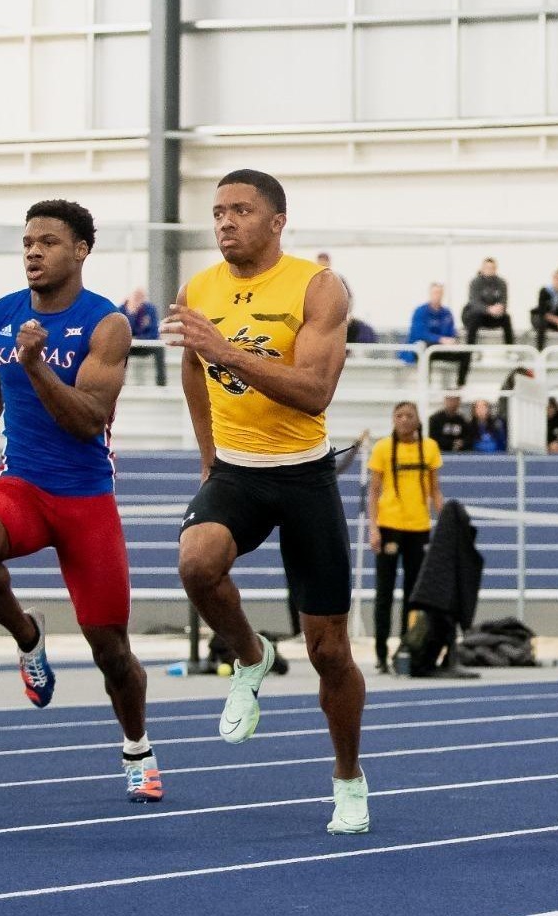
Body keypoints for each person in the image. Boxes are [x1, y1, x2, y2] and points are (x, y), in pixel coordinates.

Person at [161, 167, 369, 835]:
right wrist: (207, 456)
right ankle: (250, 654)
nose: (225, 221)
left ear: (277, 221)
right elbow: (192, 370)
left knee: (329, 652)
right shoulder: (197, 289)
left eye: (241, 210)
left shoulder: (317, 286)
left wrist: (225, 349)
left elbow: (313, 391)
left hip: (305, 475)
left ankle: (347, 777)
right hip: (238, 472)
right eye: (218, 211)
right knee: (196, 563)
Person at [0, 199, 161, 803]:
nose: (33, 253)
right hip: (22, 485)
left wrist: (37, 367)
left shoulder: (107, 324)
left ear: (81, 250)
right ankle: (27, 636)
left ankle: (137, 748)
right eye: (27, 243)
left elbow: (88, 420)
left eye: (48, 242)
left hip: (85, 500)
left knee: (111, 650)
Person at [367, 402, 443, 674]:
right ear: (393, 419)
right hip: (390, 526)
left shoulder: (430, 448)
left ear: (418, 420)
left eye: (409, 415)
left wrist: (444, 522)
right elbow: (374, 491)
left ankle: (406, 647)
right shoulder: (383, 448)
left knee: (414, 595)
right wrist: (373, 528)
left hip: (419, 527)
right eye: (398, 415)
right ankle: (380, 653)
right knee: (384, 593)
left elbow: (435, 490)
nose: (404, 420)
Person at [407, 283, 467, 388]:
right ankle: (426, 386)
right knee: (426, 349)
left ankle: (460, 385)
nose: (437, 295)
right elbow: (419, 333)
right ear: (430, 294)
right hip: (424, 348)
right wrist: (440, 339)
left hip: (441, 349)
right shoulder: (420, 311)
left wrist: (452, 341)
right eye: (435, 292)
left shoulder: (447, 313)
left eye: (439, 293)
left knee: (465, 353)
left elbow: (451, 332)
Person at [119, 288, 166, 386]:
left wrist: (138, 338)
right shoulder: (121, 310)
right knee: (121, 349)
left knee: (159, 349)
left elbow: (154, 332)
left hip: (145, 345)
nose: (138, 299)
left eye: (141, 297)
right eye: (135, 297)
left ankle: (161, 383)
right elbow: (121, 331)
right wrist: (131, 314)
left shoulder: (150, 310)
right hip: (128, 346)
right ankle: (120, 382)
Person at [461, 258, 513, 345]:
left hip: (493, 316)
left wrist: (499, 308)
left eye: (492, 268)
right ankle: (469, 351)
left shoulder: (501, 283)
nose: (490, 270)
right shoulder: (475, 282)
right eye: (487, 268)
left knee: (506, 318)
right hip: (478, 316)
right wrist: (488, 309)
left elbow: (504, 301)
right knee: (473, 318)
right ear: (482, 268)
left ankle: (510, 349)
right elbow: (474, 303)